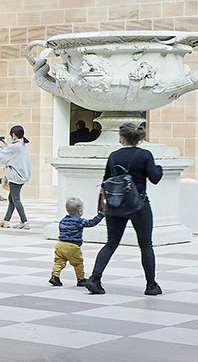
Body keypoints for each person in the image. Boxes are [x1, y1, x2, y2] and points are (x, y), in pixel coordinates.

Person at [83, 120, 164, 296]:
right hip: (138, 205)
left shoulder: (114, 156)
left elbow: (106, 178)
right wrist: (159, 168)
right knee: (146, 245)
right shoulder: (145, 155)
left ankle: (95, 278)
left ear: (122, 137)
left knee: (111, 243)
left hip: (116, 204)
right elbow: (155, 178)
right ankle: (151, 285)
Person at [48, 197, 103, 286]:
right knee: (78, 263)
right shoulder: (79, 221)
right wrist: (101, 215)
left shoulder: (62, 220)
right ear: (80, 211)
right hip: (72, 246)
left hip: (60, 245)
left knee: (59, 261)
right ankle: (80, 279)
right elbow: (91, 223)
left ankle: (55, 276)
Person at [0, 125, 33, 228]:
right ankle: (6, 220)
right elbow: (14, 155)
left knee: (16, 199)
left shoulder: (16, 147)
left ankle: (24, 222)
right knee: (11, 198)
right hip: (22, 176)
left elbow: (0, 156)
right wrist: (7, 145)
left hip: (16, 177)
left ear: (14, 135)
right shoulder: (24, 145)